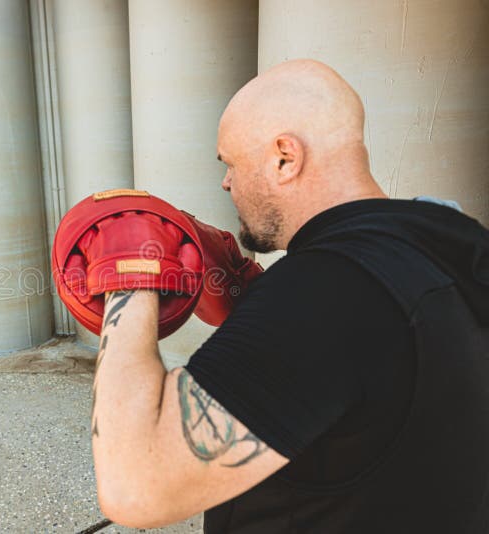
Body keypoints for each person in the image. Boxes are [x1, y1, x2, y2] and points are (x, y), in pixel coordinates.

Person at [86, 60, 489, 532]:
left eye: (231, 163)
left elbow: (135, 489)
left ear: (284, 157)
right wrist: (255, 307)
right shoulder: (452, 240)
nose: (226, 183)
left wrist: (130, 275)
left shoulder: (327, 289)